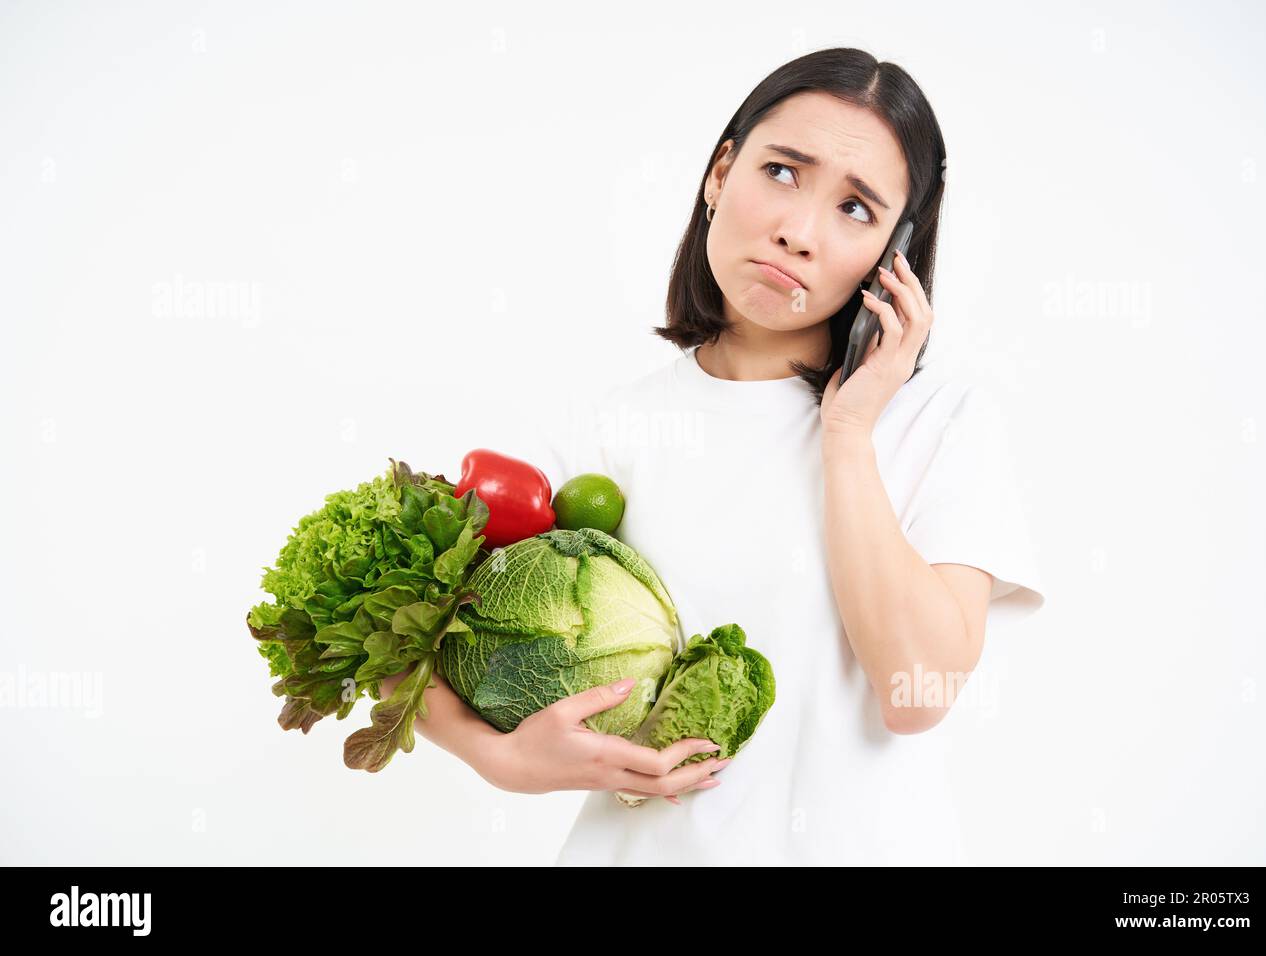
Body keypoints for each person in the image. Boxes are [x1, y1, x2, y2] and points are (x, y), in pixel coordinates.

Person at [388, 47, 1046, 865]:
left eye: (856, 210)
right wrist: (500, 756)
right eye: (780, 171)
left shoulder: (936, 421)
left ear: (894, 252)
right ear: (720, 173)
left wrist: (847, 433)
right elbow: (392, 632)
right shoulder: (613, 430)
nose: (797, 230)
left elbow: (920, 692)